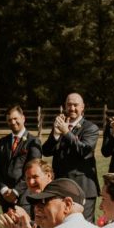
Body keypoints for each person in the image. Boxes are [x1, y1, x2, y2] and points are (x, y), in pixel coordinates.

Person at [46, 92, 101, 220]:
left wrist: (66, 132)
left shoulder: (91, 128)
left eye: (75, 105)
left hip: (83, 187)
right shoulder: (61, 124)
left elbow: (84, 151)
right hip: (61, 186)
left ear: (82, 107)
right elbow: (47, 151)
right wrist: (55, 134)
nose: (72, 108)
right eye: (69, 105)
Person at [0, 105, 42, 213]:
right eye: (9, 120)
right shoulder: (2, 142)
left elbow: (33, 172)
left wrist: (15, 192)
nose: (13, 122)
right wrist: (4, 190)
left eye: (15, 119)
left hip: (25, 198)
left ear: (23, 118)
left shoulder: (33, 142)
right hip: (5, 198)